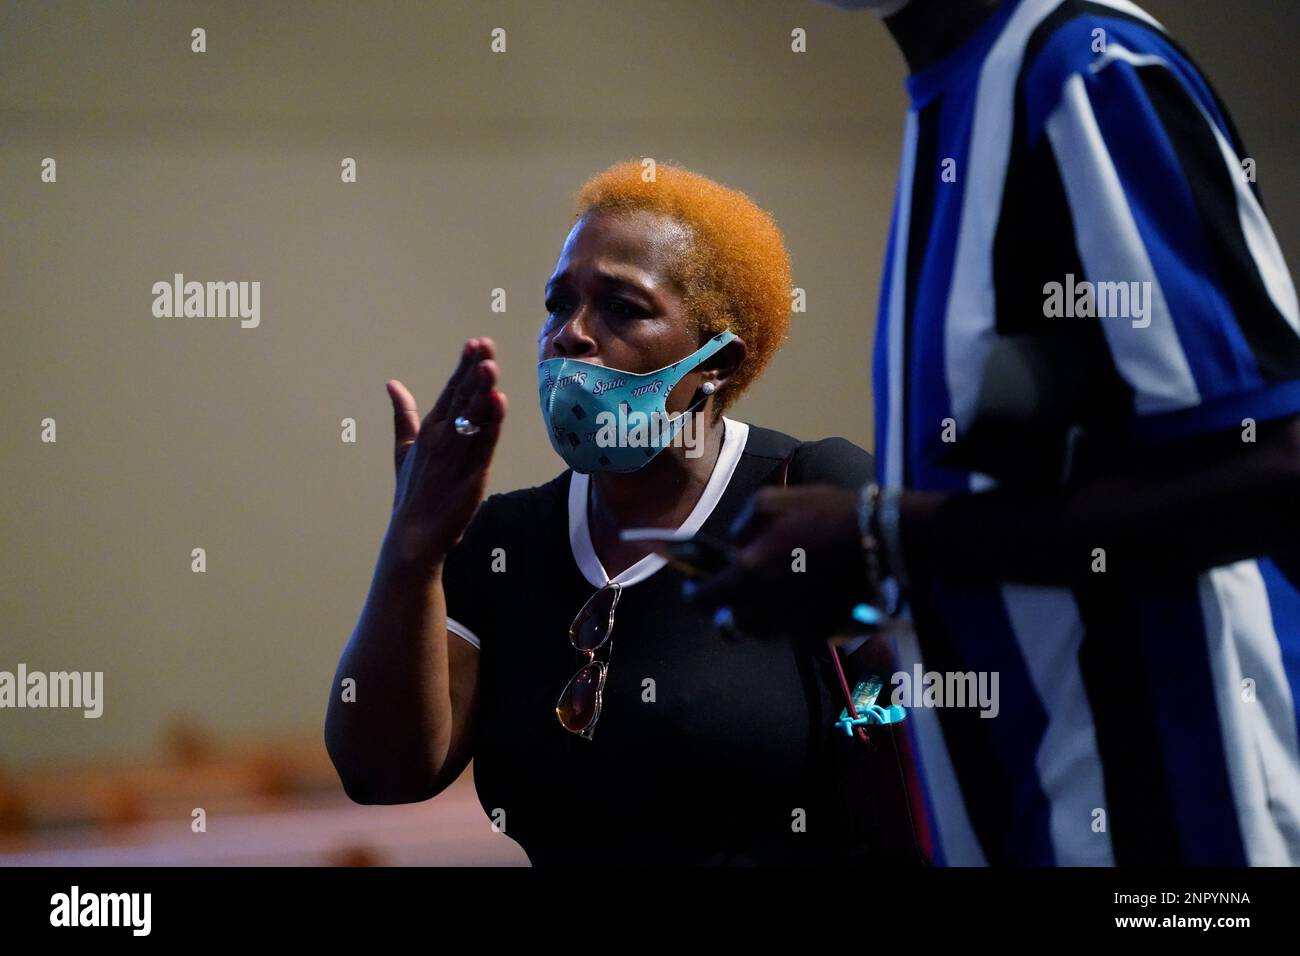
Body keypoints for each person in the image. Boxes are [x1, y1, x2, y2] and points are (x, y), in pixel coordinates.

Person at [688, 0, 1300, 865]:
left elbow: (1273, 472)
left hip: (1180, 827)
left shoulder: (1085, 66)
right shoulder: (954, 100)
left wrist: (886, 538)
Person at [325, 160, 922, 865]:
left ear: (717, 363)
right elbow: (384, 775)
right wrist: (411, 551)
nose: (570, 334)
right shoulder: (502, 541)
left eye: (621, 307)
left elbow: (938, 738)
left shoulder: (812, 494)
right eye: (557, 304)